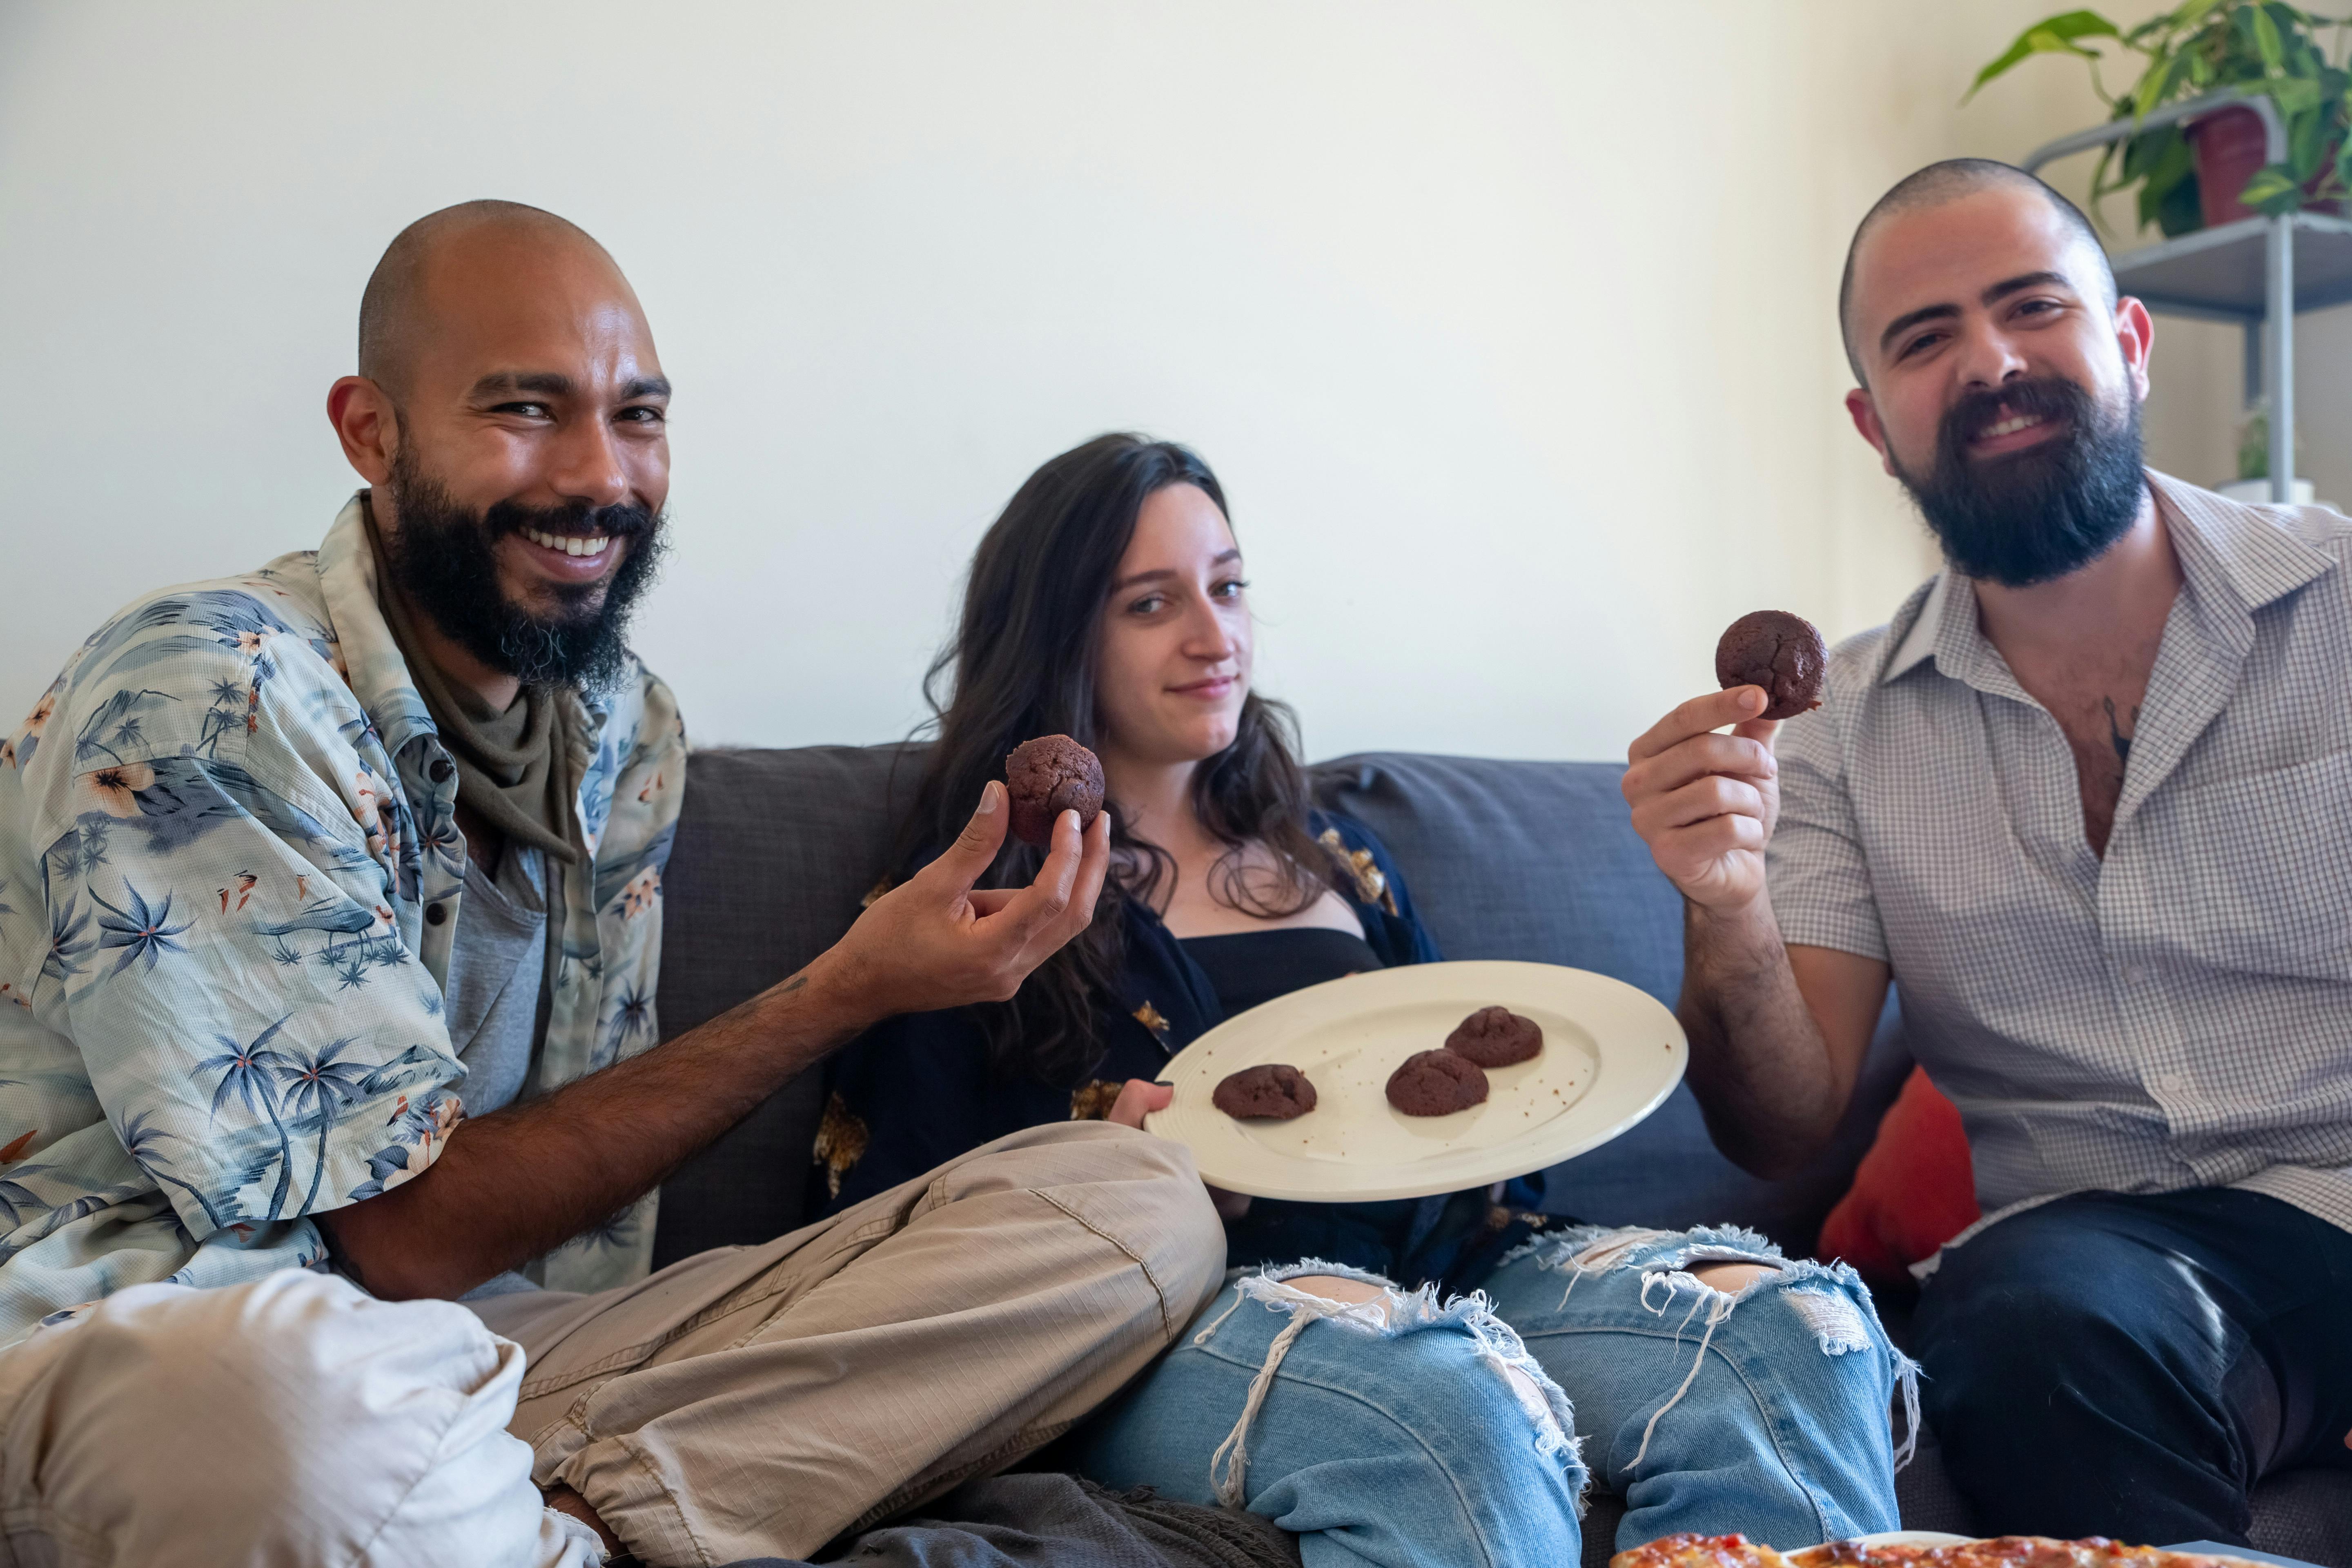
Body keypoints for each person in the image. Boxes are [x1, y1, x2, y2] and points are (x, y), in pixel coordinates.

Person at [0, 201, 1227, 1567]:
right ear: (370, 431)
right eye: (527, 409)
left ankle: (568, 1526)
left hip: (493, 1357)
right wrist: (842, 992)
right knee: (302, 1412)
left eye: (638, 418)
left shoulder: (624, 735)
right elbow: (403, 1234)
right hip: (155, 1343)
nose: (601, 475)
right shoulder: (212, 690)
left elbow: (507, 1258)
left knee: (1136, 1212)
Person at [821, 432, 1917, 1565]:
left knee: (1794, 1334)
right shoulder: (971, 900)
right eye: (1152, 604)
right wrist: (1108, 1174)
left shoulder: (1336, 856)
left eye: (1230, 586)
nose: (1216, 635)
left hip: (1460, 1268)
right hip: (1180, 1321)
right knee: (1453, 1409)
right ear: (1059, 635)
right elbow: (886, 1228)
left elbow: (1470, 1092)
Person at [1621, 158, 2352, 1544]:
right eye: (1925, 339)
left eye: (2031, 308)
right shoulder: (1835, 732)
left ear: (2128, 345)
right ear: (1873, 423)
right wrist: (1725, 906)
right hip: (2102, 1263)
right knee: (2022, 1321)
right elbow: (1780, 1120)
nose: (1992, 362)